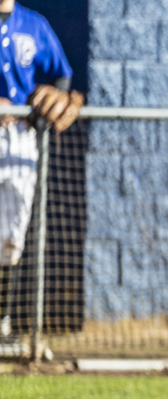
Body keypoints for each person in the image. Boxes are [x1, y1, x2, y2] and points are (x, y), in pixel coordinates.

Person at [0, 0, 82, 339]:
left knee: (10, 236)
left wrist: (60, 96)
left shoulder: (33, 24)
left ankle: (2, 322)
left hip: (20, 133)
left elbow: (61, 75)